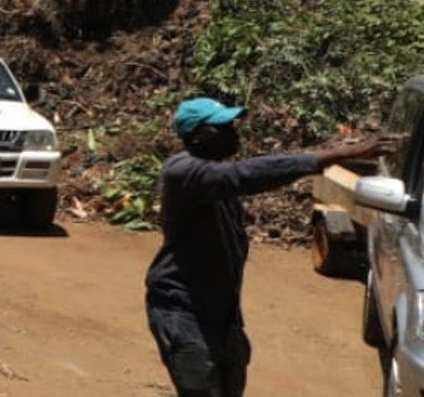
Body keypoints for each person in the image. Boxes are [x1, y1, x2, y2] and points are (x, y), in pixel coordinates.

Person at [143, 97, 396, 397]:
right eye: (223, 128)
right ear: (198, 135)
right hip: (182, 309)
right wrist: (340, 154)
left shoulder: (212, 178)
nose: (234, 133)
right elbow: (250, 173)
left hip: (219, 313)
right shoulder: (183, 172)